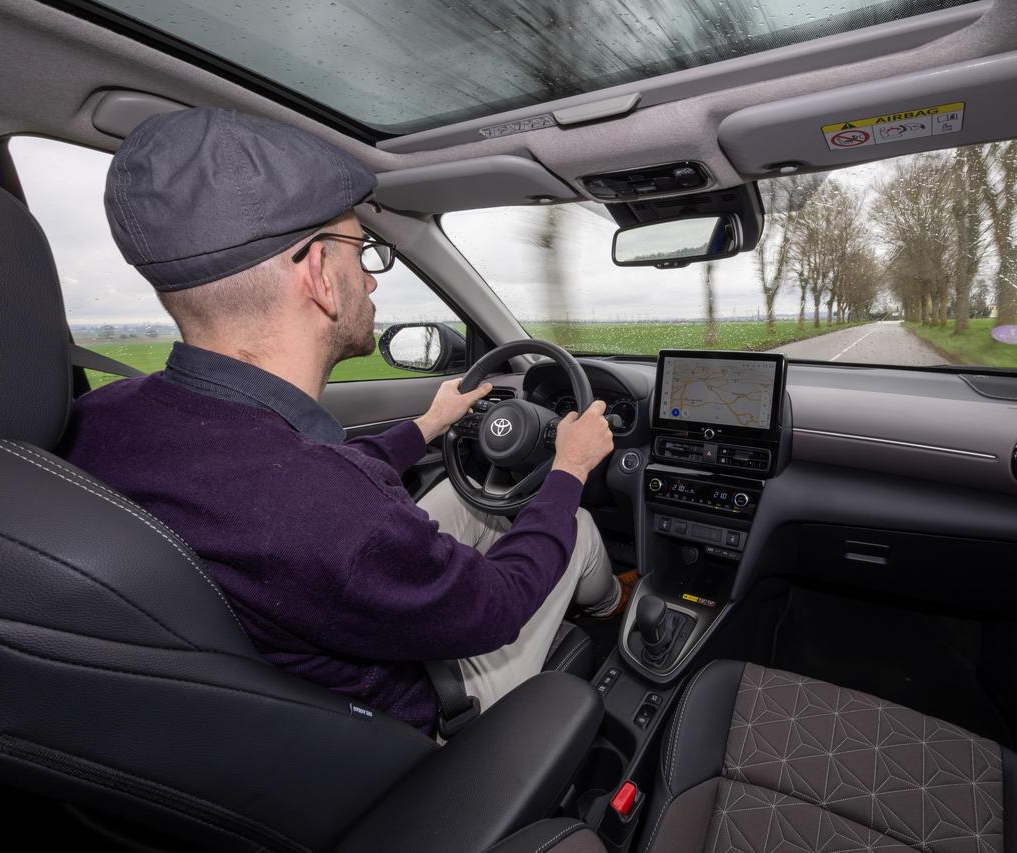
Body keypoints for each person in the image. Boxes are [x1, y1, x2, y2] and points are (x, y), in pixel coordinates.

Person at [60, 107, 629, 736]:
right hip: (421, 706)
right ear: (321, 276)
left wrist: (429, 425)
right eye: (364, 253)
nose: (371, 281)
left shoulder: (103, 418)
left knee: (459, 498)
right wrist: (571, 465)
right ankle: (611, 612)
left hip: (283, 688)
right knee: (569, 523)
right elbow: (493, 607)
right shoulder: (317, 507)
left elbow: (309, 485)